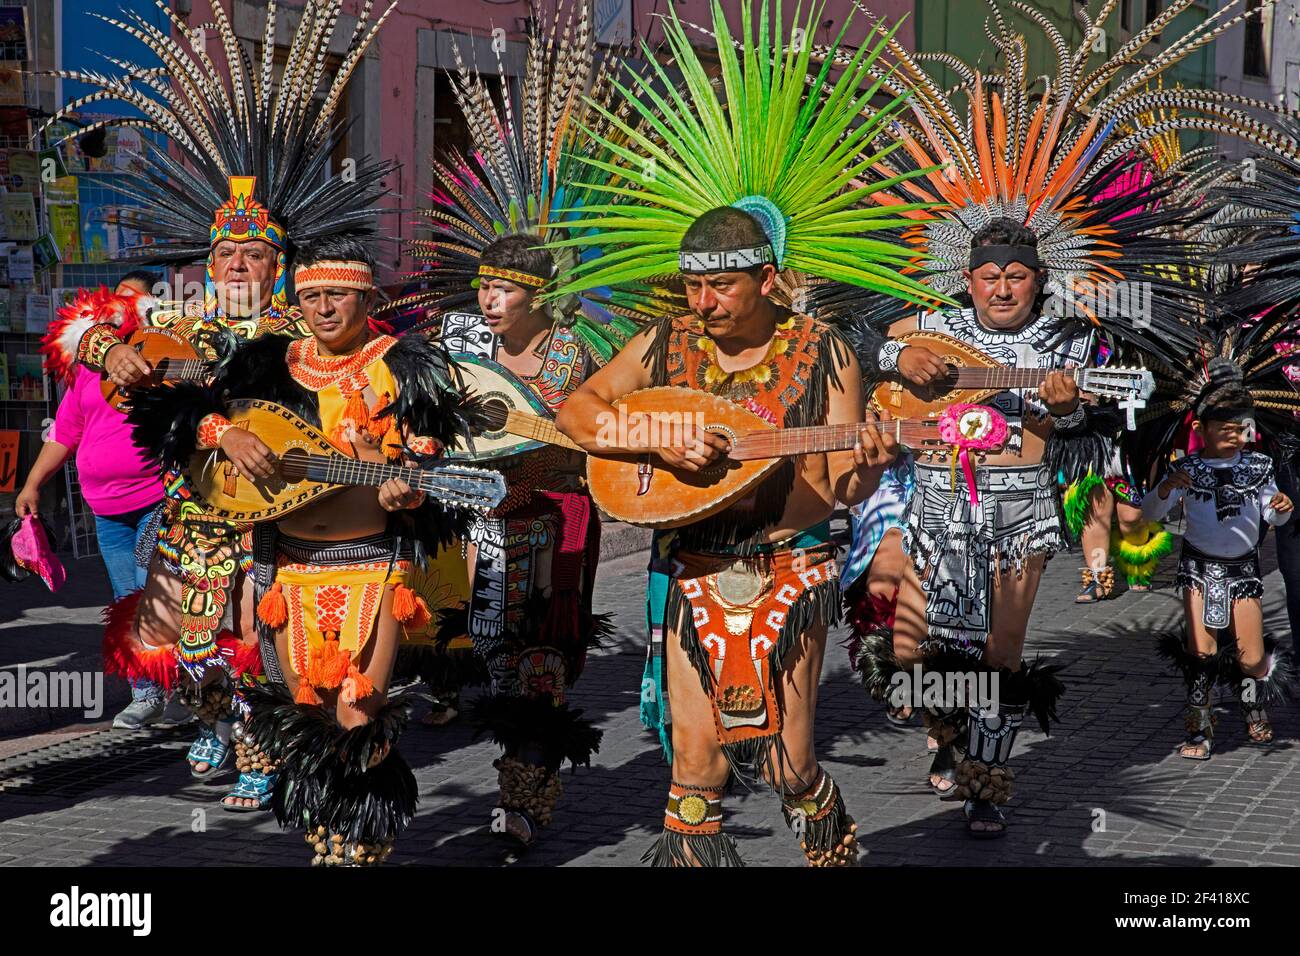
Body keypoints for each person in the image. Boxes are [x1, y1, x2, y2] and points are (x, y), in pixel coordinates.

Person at [554, 0, 937, 866]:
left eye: (722, 286)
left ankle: (827, 833)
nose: (704, 302)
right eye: (693, 287)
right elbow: (576, 409)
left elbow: (840, 479)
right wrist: (651, 442)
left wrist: (873, 466)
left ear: (768, 280)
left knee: (788, 761)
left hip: (788, 564)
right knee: (694, 764)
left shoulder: (825, 350)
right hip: (690, 562)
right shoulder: (665, 342)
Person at [40, 0, 396, 811]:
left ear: (278, 265)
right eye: (226, 252)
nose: (238, 263)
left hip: (276, 506)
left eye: (253, 254)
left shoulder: (298, 330)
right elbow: (75, 329)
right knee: (188, 640)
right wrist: (111, 348)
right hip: (193, 508)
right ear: (211, 260)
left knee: (263, 634)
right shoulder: (176, 317)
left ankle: (263, 747)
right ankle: (217, 721)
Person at [130, 236, 481, 864]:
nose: (324, 309)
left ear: (366, 295)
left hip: (371, 564)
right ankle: (331, 842)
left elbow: (428, 467)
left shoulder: (403, 366)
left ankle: (361, 845)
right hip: (287, 567)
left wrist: (402, 489)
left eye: (338, 295)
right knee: (310, 714)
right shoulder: (267, 361)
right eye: (312, 296)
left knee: (357, 710)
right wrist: (228, 434)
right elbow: (177, 415)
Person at [406, 3, 653, 849]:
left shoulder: (579, 355)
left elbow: (603, 431)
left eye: (505, 287)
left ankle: (522, 794)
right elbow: (422, 414)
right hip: (465, 524)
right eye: (483, 285)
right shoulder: (452, 343)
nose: (488, 297)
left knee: (540, 664)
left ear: (538, 296)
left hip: (552, 519)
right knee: (458, 645)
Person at [27, 273, 176, 728]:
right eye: (118, 298)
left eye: (136, 298)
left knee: (157, 595)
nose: (124, 306)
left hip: (157, 499)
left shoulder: (170, 359)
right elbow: (65, 433)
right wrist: (32, 484)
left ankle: (195, 693)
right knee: (127, 597)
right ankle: (147, 692)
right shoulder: (87, 370)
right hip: (105, 510)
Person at [1143, 363, 1294, 756]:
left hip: (1243, 571)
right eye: (1224, 428)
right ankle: (1199, 728)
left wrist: (1281, 507)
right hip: (1198, 570)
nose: (1234, 436)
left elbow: (1271, 514)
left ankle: (1252, 704)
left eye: (1241, 428)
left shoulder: (1259, 467)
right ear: (1200, 430)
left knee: (1252, 655)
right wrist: (1164, 490)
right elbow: (1151, 515)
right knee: (1202, 652)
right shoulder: (1186, 470)